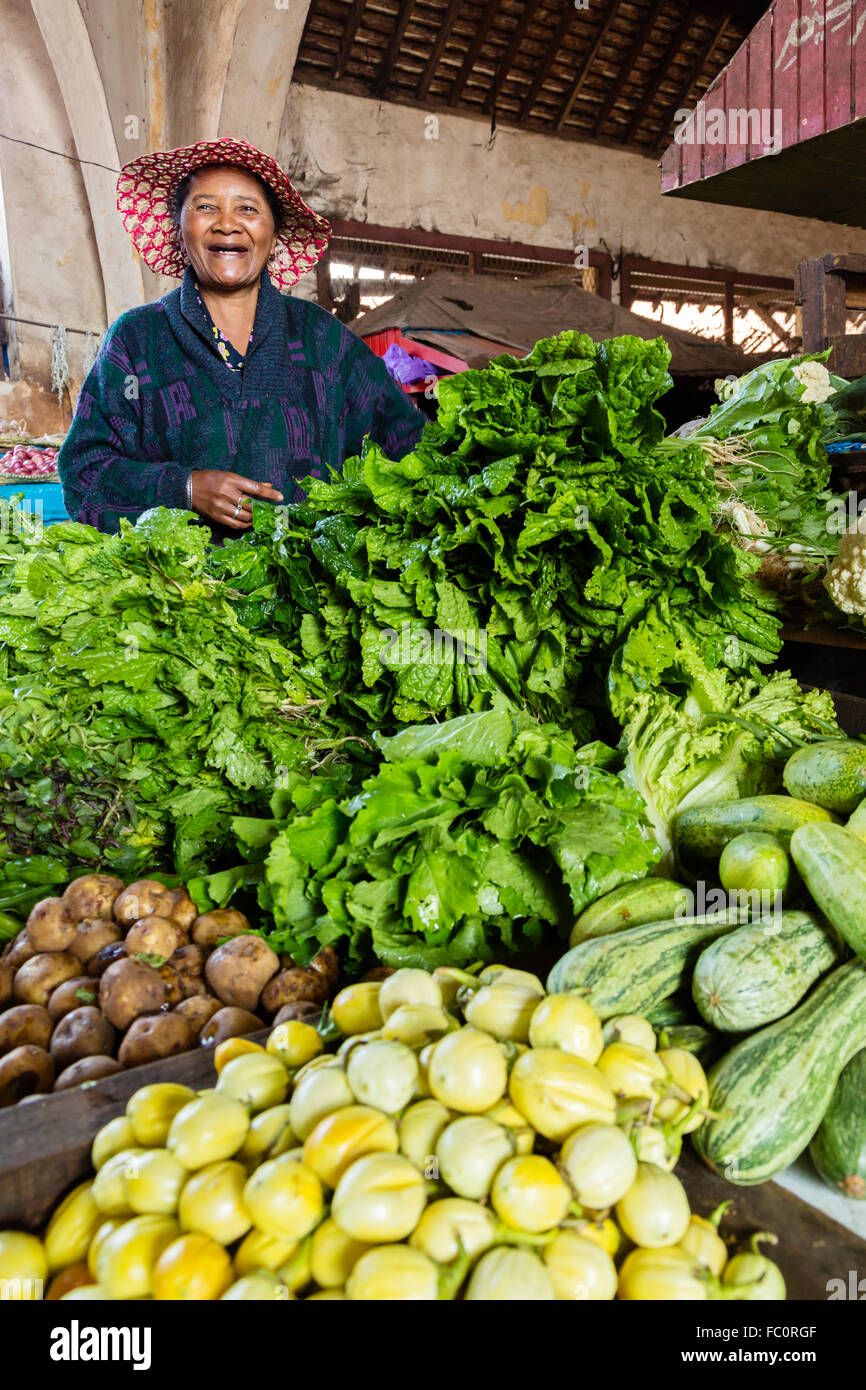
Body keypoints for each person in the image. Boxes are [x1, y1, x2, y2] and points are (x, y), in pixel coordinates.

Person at [58, 137, 424, 535]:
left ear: (274, 233)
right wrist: (185, 487)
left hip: (310, 590)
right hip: (179, 590)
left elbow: (406, 441)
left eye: (247, 209)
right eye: (205, 207)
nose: (227, 223)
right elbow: (84, 473)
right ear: (179, 228)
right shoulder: (137, 340)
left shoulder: (322, 338)